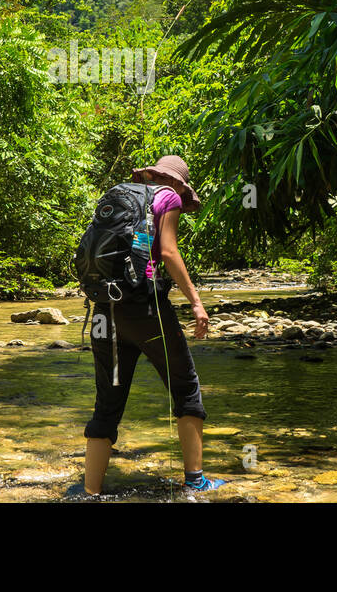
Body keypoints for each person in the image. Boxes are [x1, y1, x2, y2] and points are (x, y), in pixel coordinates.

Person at [83, 155, 225, 495]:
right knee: (185, 386)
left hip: (105, 308)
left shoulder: (119, 195)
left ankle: (90, 491)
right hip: (145, 311)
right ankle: (196, 482)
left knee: (107, 402)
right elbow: (169, 252)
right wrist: (196, 302)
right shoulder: (168, 197)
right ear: (176, 182)